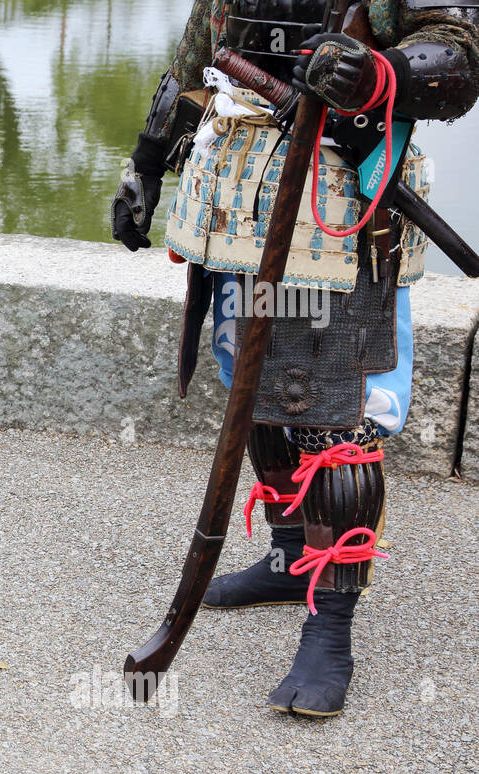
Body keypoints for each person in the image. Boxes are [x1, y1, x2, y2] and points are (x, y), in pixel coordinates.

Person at [111, 1, 478, 716]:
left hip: (340, 196)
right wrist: (148, 160)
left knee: (332, 420)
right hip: (234, 187)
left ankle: (331, 627)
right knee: (250, 384)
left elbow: (461, 54)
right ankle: (286, 556)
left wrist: (380, 71)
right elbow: (200, 56)